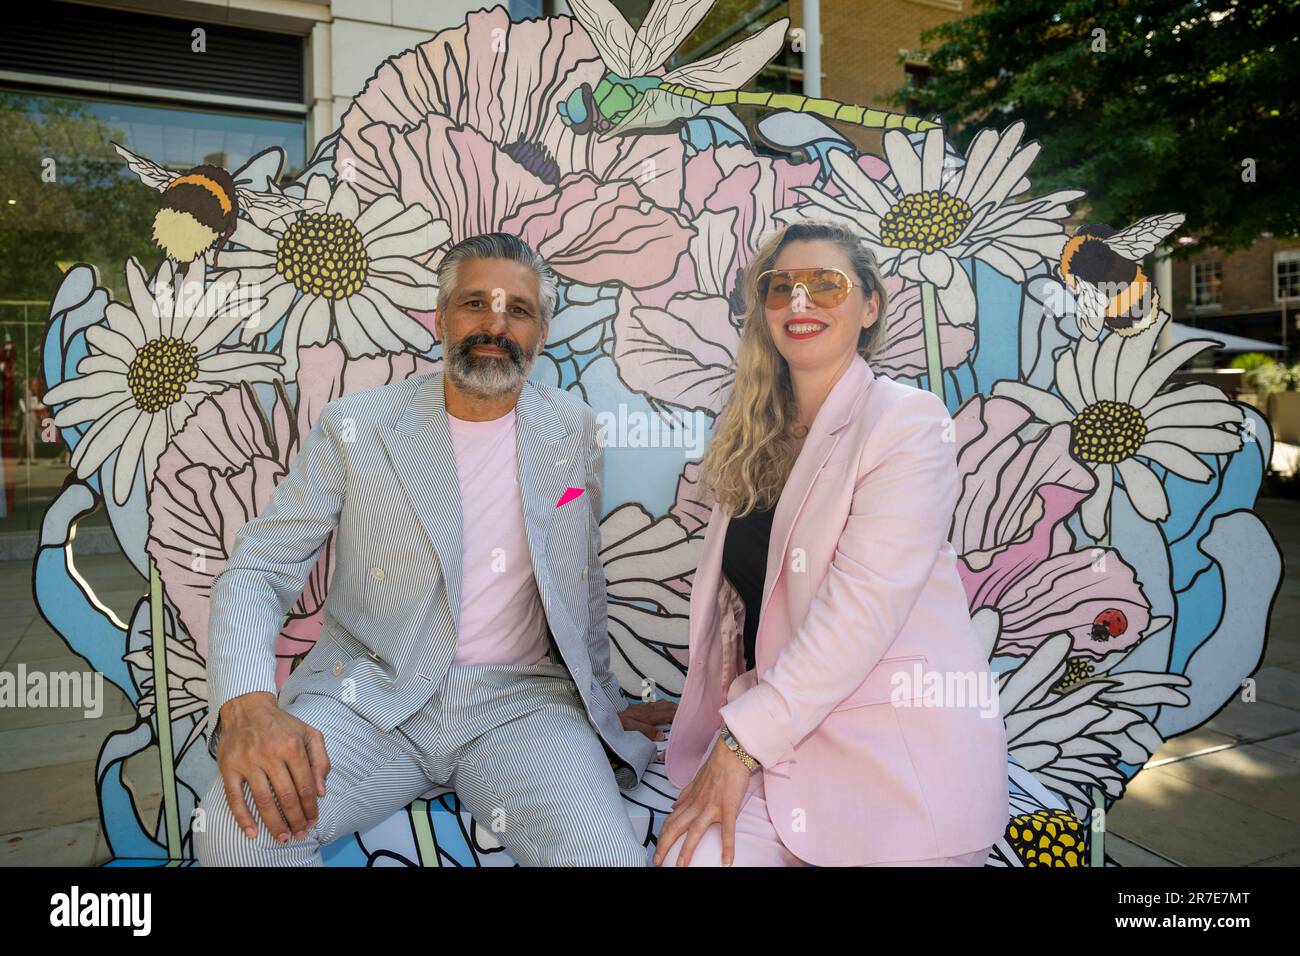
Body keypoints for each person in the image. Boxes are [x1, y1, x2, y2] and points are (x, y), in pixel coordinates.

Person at [196, 232, 675, 867]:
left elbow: (578, 580)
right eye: (476, 303)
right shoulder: (357, 425)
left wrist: (605, 699)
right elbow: (260, 567)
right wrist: (247, 702)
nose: (495, 324)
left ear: (542, 330)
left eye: (519, 310)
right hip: (367, 700)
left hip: (520, 706)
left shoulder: (572, 429)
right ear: (442, 316)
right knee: (237, 834)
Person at [657, 220, 1008, 867]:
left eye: (827, 285)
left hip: (896, 762)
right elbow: (755, 615)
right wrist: (701, 709)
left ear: (870, 305)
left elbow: (859, 613)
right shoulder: (747, 441)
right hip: (781, 746)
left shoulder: (907, 421)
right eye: (780, 286)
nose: (800, 301)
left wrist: (737, 747)